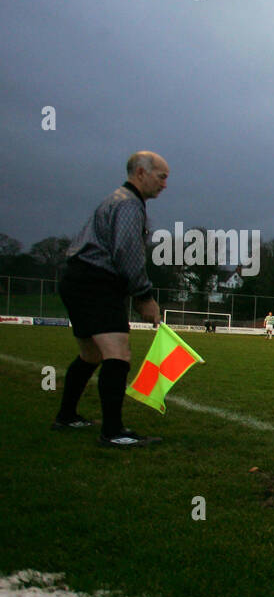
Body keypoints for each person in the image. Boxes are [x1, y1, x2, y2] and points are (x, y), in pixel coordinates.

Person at [53, 150, 168, 448]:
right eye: (162, 176)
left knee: (91, 355)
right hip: (95, 282)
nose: (165, 184)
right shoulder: (129, 205)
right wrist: (144, 296)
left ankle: (66, 416)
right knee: (119, 353)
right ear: (140, 173)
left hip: (76, 279)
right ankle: (113, 432)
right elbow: (126, 252)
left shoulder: (115, 200)